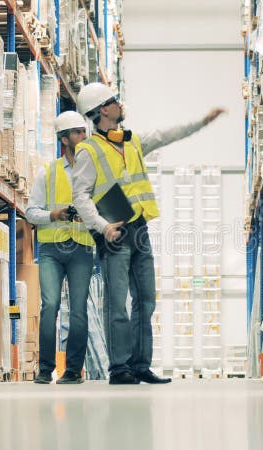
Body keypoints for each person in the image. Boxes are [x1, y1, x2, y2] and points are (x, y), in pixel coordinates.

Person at [71, 82, 225, 385]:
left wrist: (203, 122)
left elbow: (167, 134)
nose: (120, 105)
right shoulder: (89, 151)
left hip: (140, 230)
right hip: (114, 234)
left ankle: (140, 365)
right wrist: (103, 227)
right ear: (103, 110)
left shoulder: (132, 142)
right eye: (114, 101)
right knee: (118, 304)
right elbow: (80, 195)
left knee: (146, 300)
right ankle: (120, 368)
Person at [26, 110, 96, 384]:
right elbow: (31, 211)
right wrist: (54, 215)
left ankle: (73, 371)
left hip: (81, 248)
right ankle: (45, 370)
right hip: (52, 249)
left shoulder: (94, 173)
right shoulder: (48, 172)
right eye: (78, 132)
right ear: (64, 139)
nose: (83, 136)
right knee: (50, 305)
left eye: (84, 131)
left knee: (78, 308)